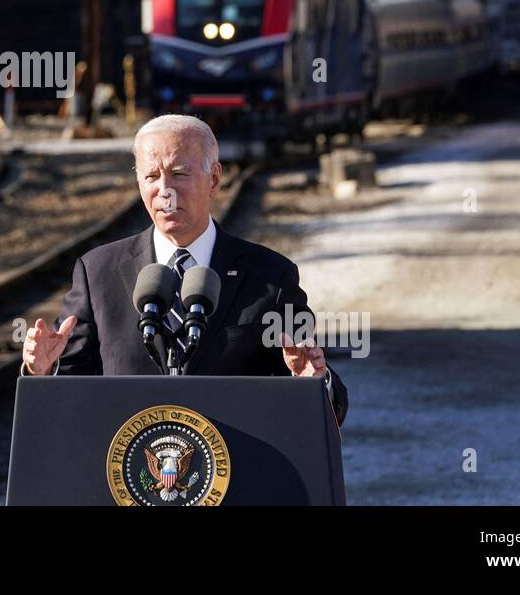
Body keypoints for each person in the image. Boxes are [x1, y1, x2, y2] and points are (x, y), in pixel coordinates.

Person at [21, 113, 348, 426]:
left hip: (235, 475)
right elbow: (66, 392)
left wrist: (314, 383)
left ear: (215, 178)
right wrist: (41, 371)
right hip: (125, 475)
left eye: (179, 173)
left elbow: (324, 403)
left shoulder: (271, 277)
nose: (164, 190)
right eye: (151, 176)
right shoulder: (97, 273)